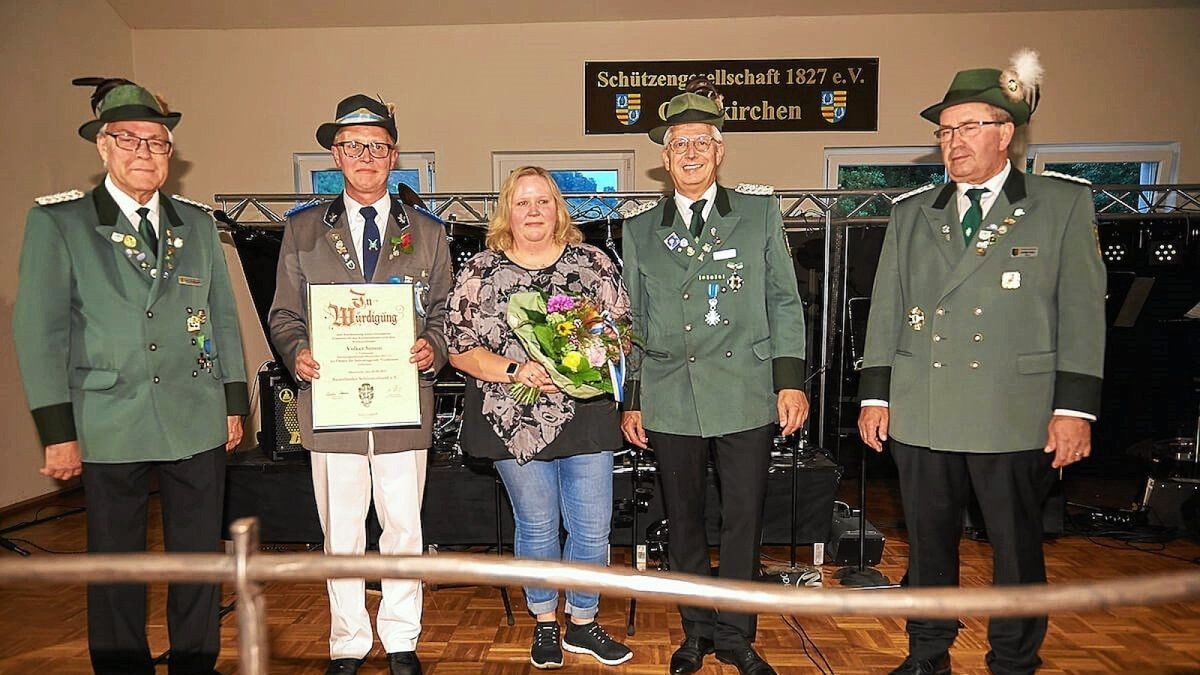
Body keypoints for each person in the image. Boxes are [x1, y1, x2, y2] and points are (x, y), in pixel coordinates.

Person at [857, 51, 1106, 675]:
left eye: (967, 127)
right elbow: (886, 309)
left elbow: (1081, 314)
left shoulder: (1060, 205)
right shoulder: (915, 213)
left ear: (1006, 134)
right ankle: (927, 655)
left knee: (1017, 549)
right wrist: (876, 395)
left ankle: (1015, 661)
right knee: (928, 547)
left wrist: (1073, 408)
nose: (952, 142)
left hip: (1013, 411)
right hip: (927, 410)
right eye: (945, 131)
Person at [13, 77, 248, 675]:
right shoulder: (60, 223)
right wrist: (56, 429)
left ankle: (195, 664)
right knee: (114, 564)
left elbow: (219, 315)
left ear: (171, 154)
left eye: (158, 142)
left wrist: (234, 400)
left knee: (199, 558)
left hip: (195, 414)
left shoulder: (195, 223)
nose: (144, 152)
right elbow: (40, 333)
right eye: (129, 139)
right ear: (103, 147)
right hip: (107, 416)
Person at [619, 82, 809, 675]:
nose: (691, 152)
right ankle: (696, 631)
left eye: (702, 141)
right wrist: (634, 399)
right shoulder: (640, 229)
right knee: (684, 522)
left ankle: (737, 632)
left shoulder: (757, 215)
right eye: (680, 144)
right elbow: (636, 321)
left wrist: (790, 380)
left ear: (720, 151)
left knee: (744, 519)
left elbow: (784, 300)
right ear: (665, 156)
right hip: (672, 396)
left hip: (746, 392)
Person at [268, 94, 452, 675]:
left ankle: (401, 640)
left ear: (393, 155)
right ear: (336, 156)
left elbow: (446, 312)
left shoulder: (427, 231)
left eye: (376, 145)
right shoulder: (301, 231)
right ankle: (347, 642)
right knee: (339, 533)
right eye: (353, 146)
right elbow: (283, 315)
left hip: (403, 406)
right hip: (331, 408)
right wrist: (297, 354)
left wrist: (435, 348)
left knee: (404, 528)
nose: (365, 156)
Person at [444, 166, 634, 669]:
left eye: (543, 201)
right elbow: (459, 348)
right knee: (538, 524)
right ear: (508, 210)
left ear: (558, 209)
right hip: (514, 417)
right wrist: (517, 369)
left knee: (591, 528)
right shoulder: (479, 271)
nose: (533, 211)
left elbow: (622, 333)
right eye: (523, 202)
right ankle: (546, 622)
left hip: (587, 413)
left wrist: (579, 363)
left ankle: (584, 622)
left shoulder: (592, 262)